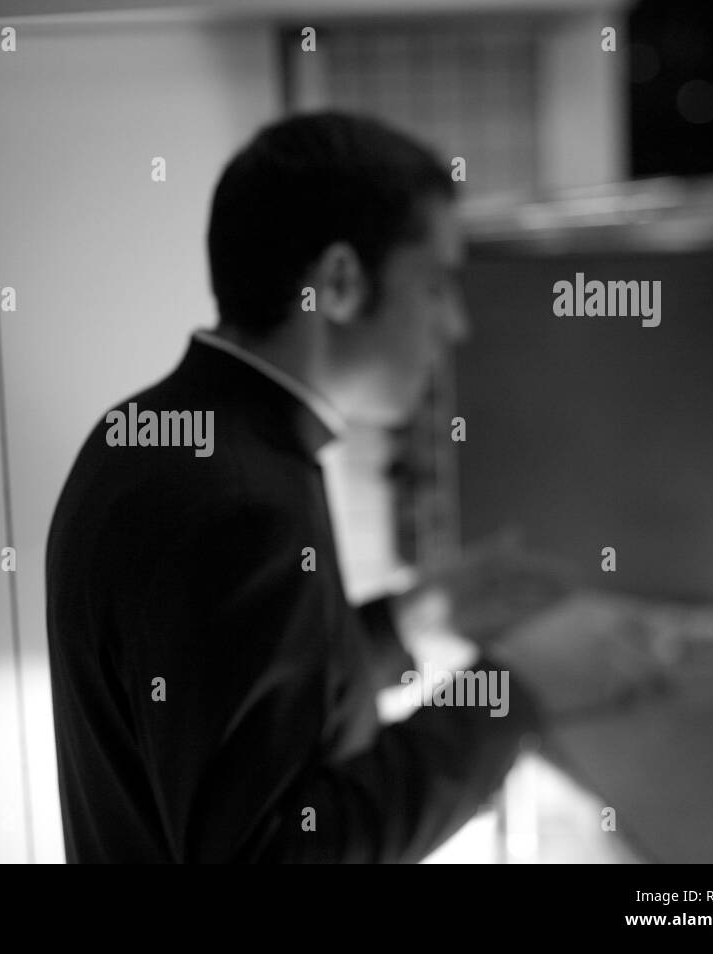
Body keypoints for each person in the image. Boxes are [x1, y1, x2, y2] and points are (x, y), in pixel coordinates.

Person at [46, 111, 575, 863]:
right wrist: (508, 696)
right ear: (339, 283)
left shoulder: (152, 430)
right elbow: (276, 850)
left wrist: (411, 622)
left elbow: (236, 704)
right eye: (435, 286)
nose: (454, 325)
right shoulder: (239, 499)